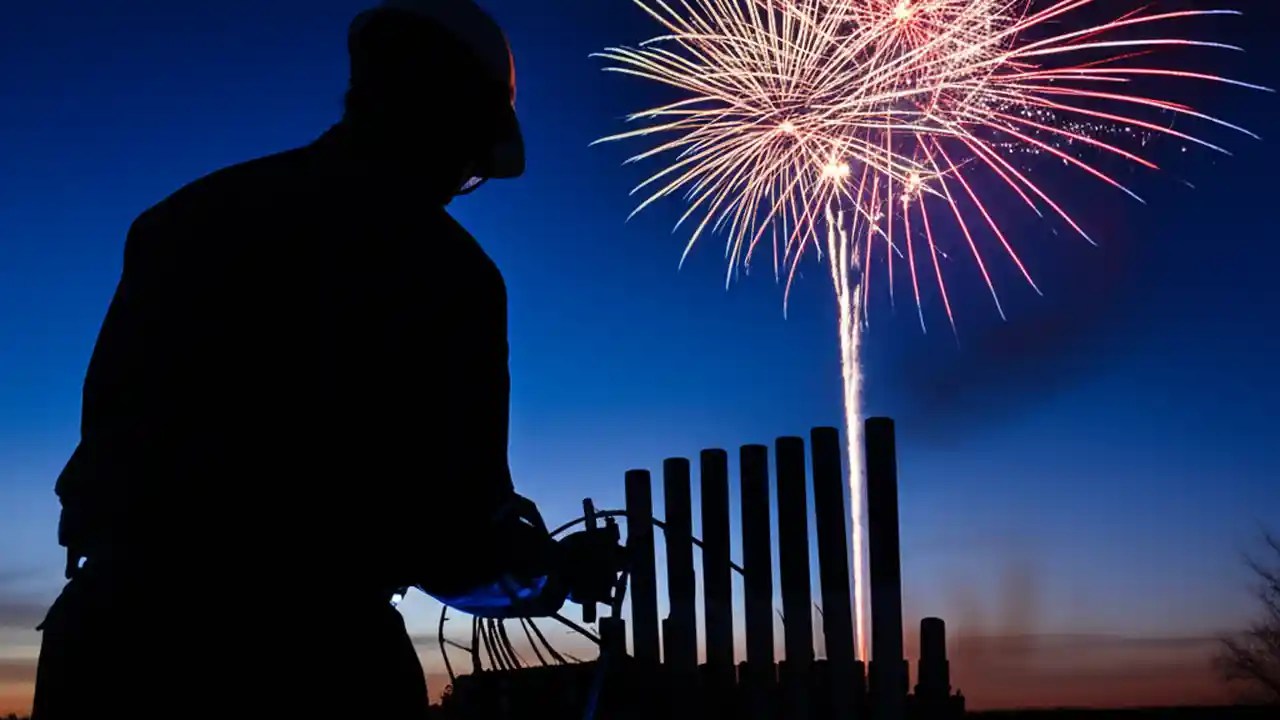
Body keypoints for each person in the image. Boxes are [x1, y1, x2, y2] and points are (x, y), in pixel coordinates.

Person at [31, 1, 545, 717]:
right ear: (458, 119)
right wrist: (542, 577)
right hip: (310, 659)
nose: (461, 187)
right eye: (469, 166)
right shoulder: (445, 271)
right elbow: (453, 539)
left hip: (106, 646)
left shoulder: (185, 217)